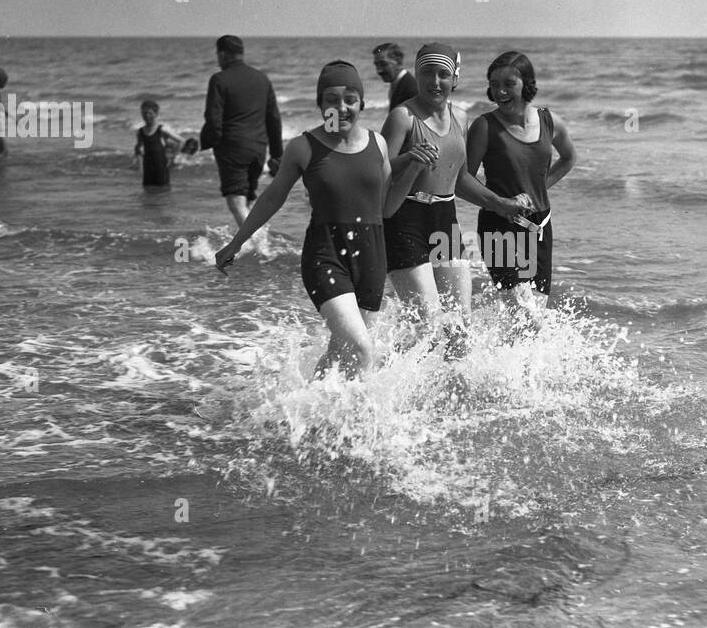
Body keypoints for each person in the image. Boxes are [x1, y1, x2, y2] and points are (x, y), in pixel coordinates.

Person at [213, 61, 434, 378]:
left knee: (343, 351)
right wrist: (237, 242)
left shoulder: (379, 144)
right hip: (326, 256)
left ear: (362, 103)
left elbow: (386, 208)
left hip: (372, 259)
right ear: (319, 103)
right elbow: (273, 197)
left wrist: (413, 167)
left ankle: (308, 408)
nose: (341, 108)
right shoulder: (304, 147)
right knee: (362, 349)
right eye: (330, 99)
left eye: (350, 99)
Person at [457, 51, 577, 323]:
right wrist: (498, 203)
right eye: (494, 84)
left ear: (527, 84)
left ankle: (506, 364)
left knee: (532, 316)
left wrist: (540, 188)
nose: (500, 91)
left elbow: (569, 157)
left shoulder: (550, 121)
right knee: (524, 315)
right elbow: (463, 179)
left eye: (508, 83)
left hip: (540, 227)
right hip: (498, 227)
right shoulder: (484, 127)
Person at [381, 43, 471, 349]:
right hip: (406, 221)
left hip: (446, 220)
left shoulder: (462, 117)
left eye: (443, 74)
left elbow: (461, 179)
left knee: (461, 326)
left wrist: (501, 202)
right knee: (428, 326)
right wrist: (409, 159)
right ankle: (386, 388)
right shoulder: (402, 117)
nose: (435, 81)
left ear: (455, 78)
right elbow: (379, 172)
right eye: (427, 73)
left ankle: (452, 393)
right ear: (417, 76)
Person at [199, 35, 284, 234]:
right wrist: (276, 155)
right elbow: (274, 119)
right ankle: (257, 244)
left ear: (221, 54)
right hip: (258, 149)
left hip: (233, 149)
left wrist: (210, 142)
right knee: (248, 200)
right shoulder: (262, 78)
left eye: (217, 55)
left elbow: (213, 119)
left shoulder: (219, 79)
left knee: (236, 202)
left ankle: (258, 247)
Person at [130, 100, 184, 189]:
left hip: (161, 168)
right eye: (144, 113)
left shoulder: (161, 130)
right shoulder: (140, 132)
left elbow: (181, 141)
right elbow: (138, 148)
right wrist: (136, 163)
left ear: (156, 114)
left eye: (150, 113)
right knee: (147, 191)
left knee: (164, 191)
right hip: (147, 168)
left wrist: (173, 158)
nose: (147, 116)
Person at [373, 43, 418, 113]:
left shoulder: (412, 90)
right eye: (376, 65)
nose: (379, 70)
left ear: (399, 62)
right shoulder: (397, 85)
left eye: (383, 64)